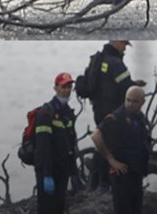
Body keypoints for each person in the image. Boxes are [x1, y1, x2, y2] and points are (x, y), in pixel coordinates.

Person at [87, 40, 146, 190]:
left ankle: (94, 182)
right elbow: (126, 86)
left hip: (98, 108)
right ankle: (105, 183)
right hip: (112, 110)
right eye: (124, 45)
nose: (125, 49)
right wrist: (136, 88)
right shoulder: (116, 63)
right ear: (117, 44)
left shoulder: (98, 59)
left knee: (101, 142)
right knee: (111, 145)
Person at [91, 87, 152, 214]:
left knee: (136, 208)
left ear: (142, 102)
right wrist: (111, 159)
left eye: (134, 101)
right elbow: (96, 136)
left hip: (136, 172)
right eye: (128, 100)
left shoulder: (139, 118)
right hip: (121, 173)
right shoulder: (116, 117)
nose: (130, 104)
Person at [35, 72, 79, 214]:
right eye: (63, 86)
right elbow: (43, 147)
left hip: (63, 169)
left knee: (59, 207)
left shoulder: (68, 113)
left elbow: (70, 144)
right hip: (48, 170)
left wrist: (74, 171)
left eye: (69, 87)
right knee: (46, 209)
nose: (67, 90)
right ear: (56, 88)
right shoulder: (46, 113)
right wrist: (47, 174)